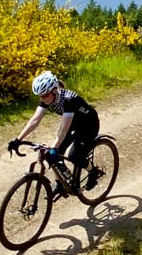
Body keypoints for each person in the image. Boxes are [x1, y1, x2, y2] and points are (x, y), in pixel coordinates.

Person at [9, 70, 101, 198]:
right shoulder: (48, 98)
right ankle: (60, 183)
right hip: (74, 124)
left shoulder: (69, 100)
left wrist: (54, 147)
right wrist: (18, 139)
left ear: (53, 90)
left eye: (45, 95)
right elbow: (35, 119)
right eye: (40, 96)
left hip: (88, 124)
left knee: (75, 155)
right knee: (56, 154)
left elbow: (64, 128)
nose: (42, 98)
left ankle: (94, 171)